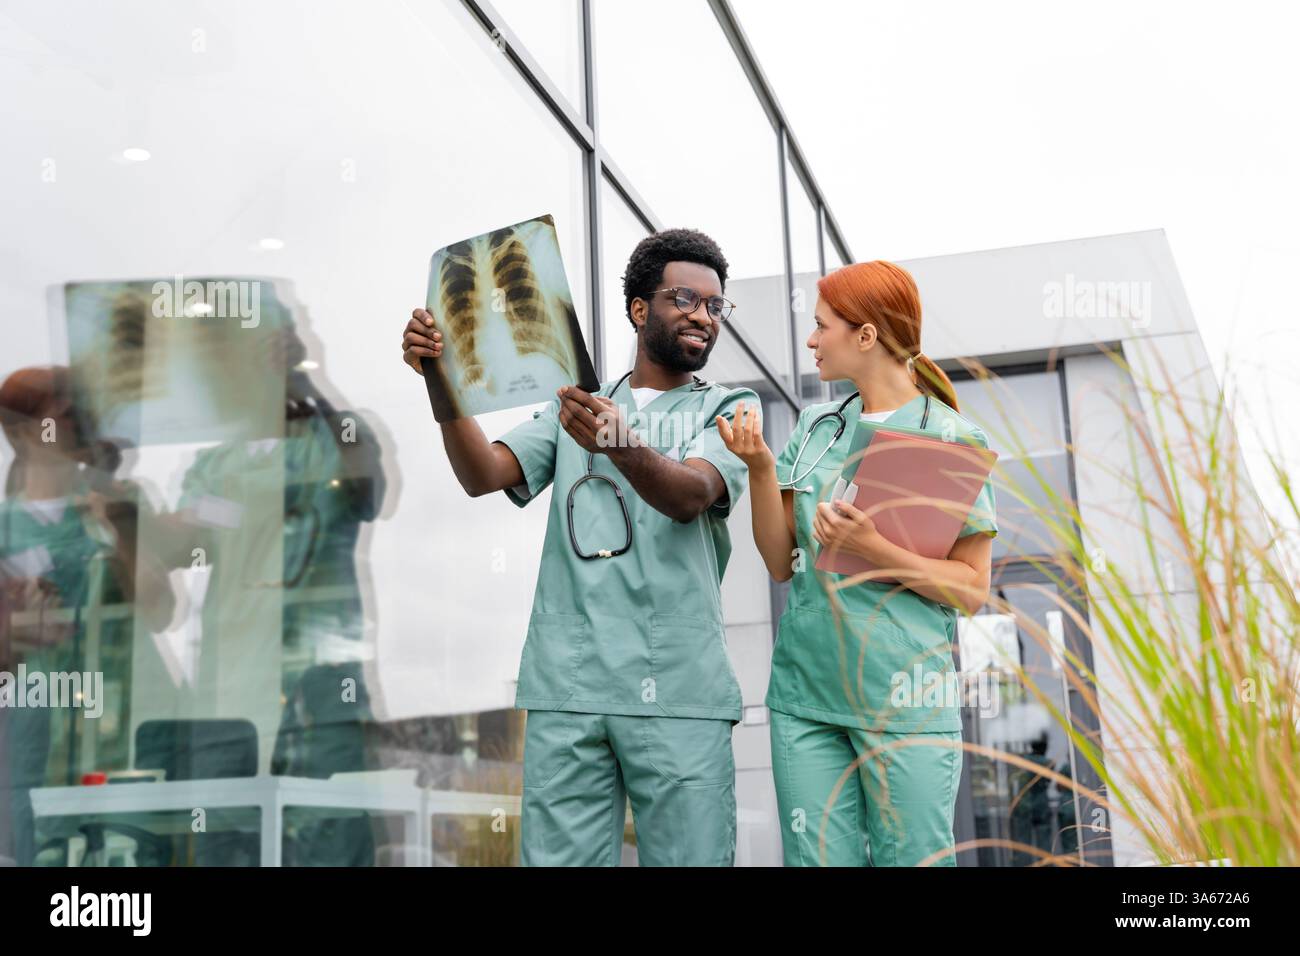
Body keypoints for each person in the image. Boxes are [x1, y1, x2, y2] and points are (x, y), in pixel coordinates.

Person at [401, 228, 757, 866]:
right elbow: (483, 474)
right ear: (639, 309)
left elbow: (691, 495)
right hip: (571, 687)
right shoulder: (576, 409)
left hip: (677, 687)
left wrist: (619, 445)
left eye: (714, 305)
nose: (703, 316)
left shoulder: (729, 408)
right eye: (685, 299)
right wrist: (440, 379)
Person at [717, 260, 998, 866]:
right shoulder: (816, 428)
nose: (811, 340)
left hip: (906, 703)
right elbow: (779, 562)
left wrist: (876, 550)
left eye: (822, 327)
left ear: (866, 335)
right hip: (806, 699)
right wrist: (760, 468)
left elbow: (973, 589)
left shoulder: (952, 439)